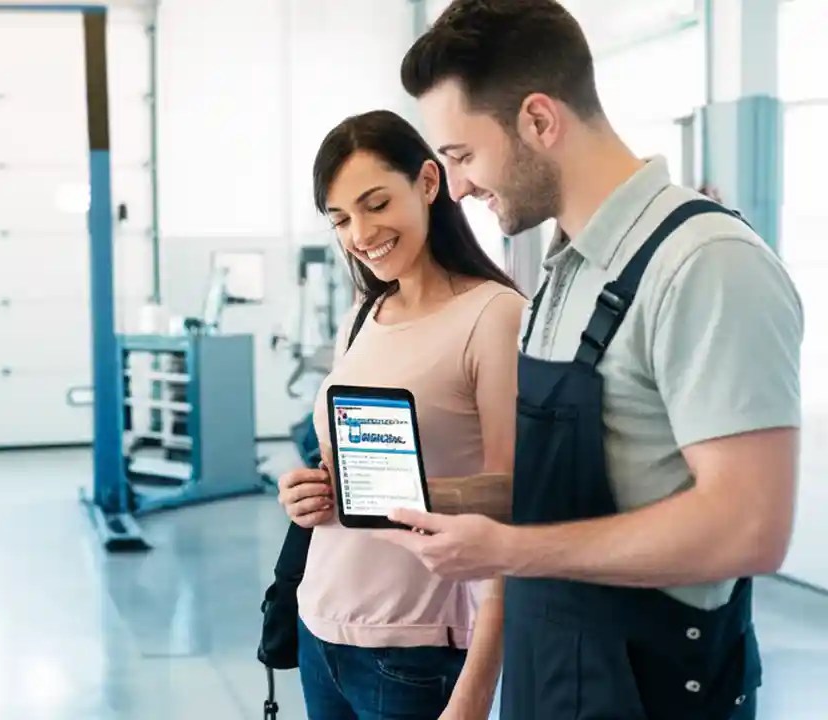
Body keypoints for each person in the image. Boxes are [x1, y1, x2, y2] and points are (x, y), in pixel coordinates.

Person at [380, 2, 803, 719]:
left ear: (539, 121)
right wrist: (438, 505)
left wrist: (510, 550)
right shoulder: (565, 271)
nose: (456, 189)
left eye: (462, 156)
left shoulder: (706, 265)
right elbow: (575, 482)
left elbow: (749, 528)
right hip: (555, 680)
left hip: (654, 692)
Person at [276, 109, 525, 720]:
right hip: (321, 627)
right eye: (340, 218)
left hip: (415, 652)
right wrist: (307, 493)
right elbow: (341, 472)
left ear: (429, 184)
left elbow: (517, 507)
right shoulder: (363, 314)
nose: (360, 233)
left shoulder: (495, 315)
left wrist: (474, 692)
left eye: (375, 203)